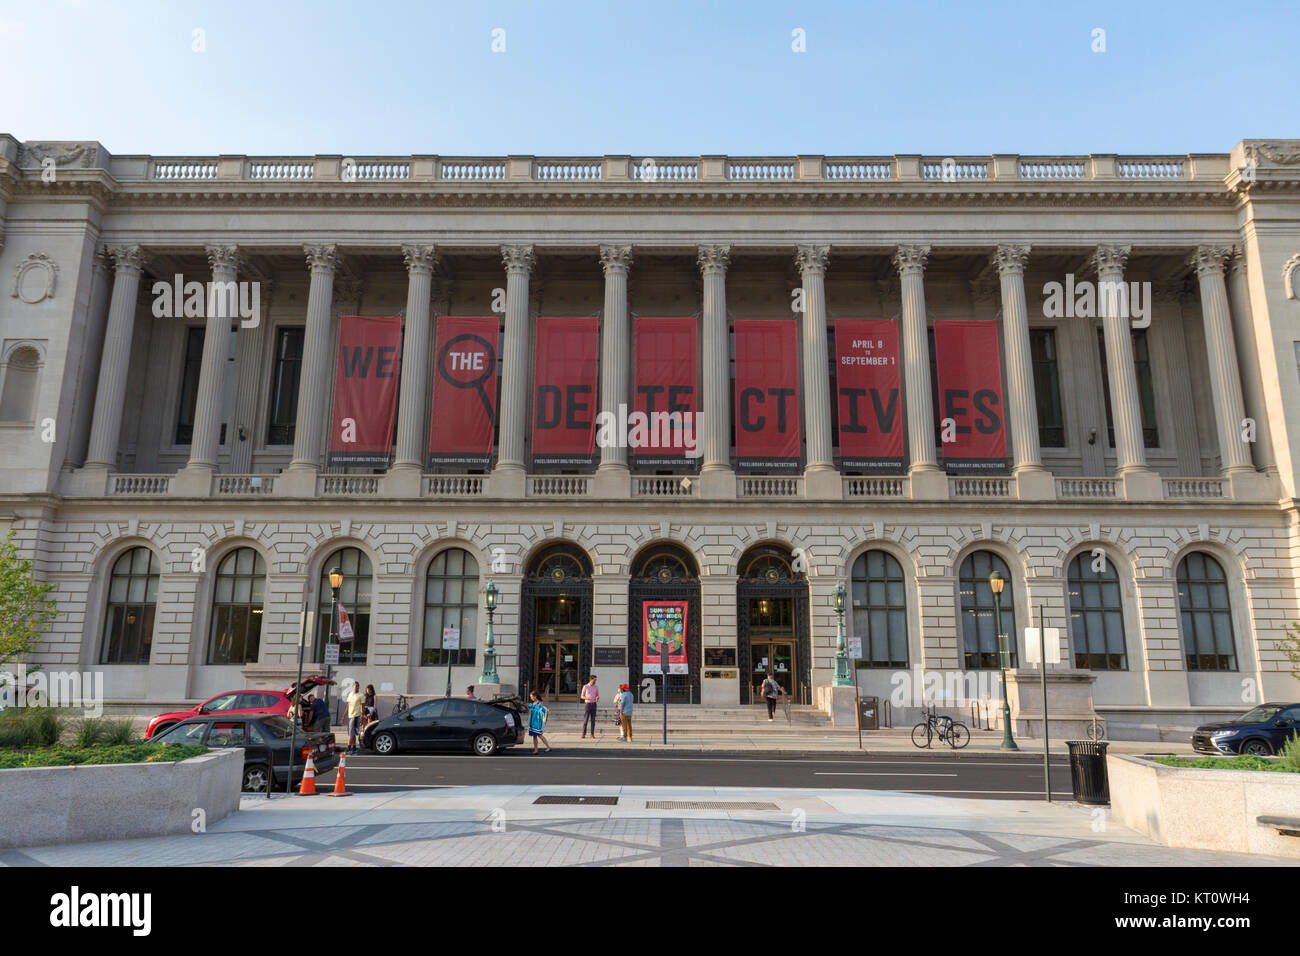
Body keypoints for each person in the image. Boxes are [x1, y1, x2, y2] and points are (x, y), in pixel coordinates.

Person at [345, 680, 365, 754]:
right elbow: (348, 706)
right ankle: (354, 747)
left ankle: (348, 747)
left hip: (356, 716)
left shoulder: (361, 695)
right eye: (355, 686)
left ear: (359, 687)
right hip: (350, 715)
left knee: (351, 733)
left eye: (357, 686)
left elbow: (362, 707)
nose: (356, 687)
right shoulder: (350, 694)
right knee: (352, 732)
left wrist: (362, 717)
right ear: (352, 687)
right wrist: (344, 716)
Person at [579, 674, 599, 739]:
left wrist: (597, 697)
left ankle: (592, 734)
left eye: (596, 680)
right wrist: (586, 698)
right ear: (591, 679)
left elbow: (597, 695)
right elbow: (581, 696)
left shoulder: (596, 687)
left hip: (594, 704)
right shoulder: (585, 686)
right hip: (588, 704)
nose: (595, 681)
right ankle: (583, 734)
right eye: (594, 680)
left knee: (593, 720)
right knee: (586, 720)